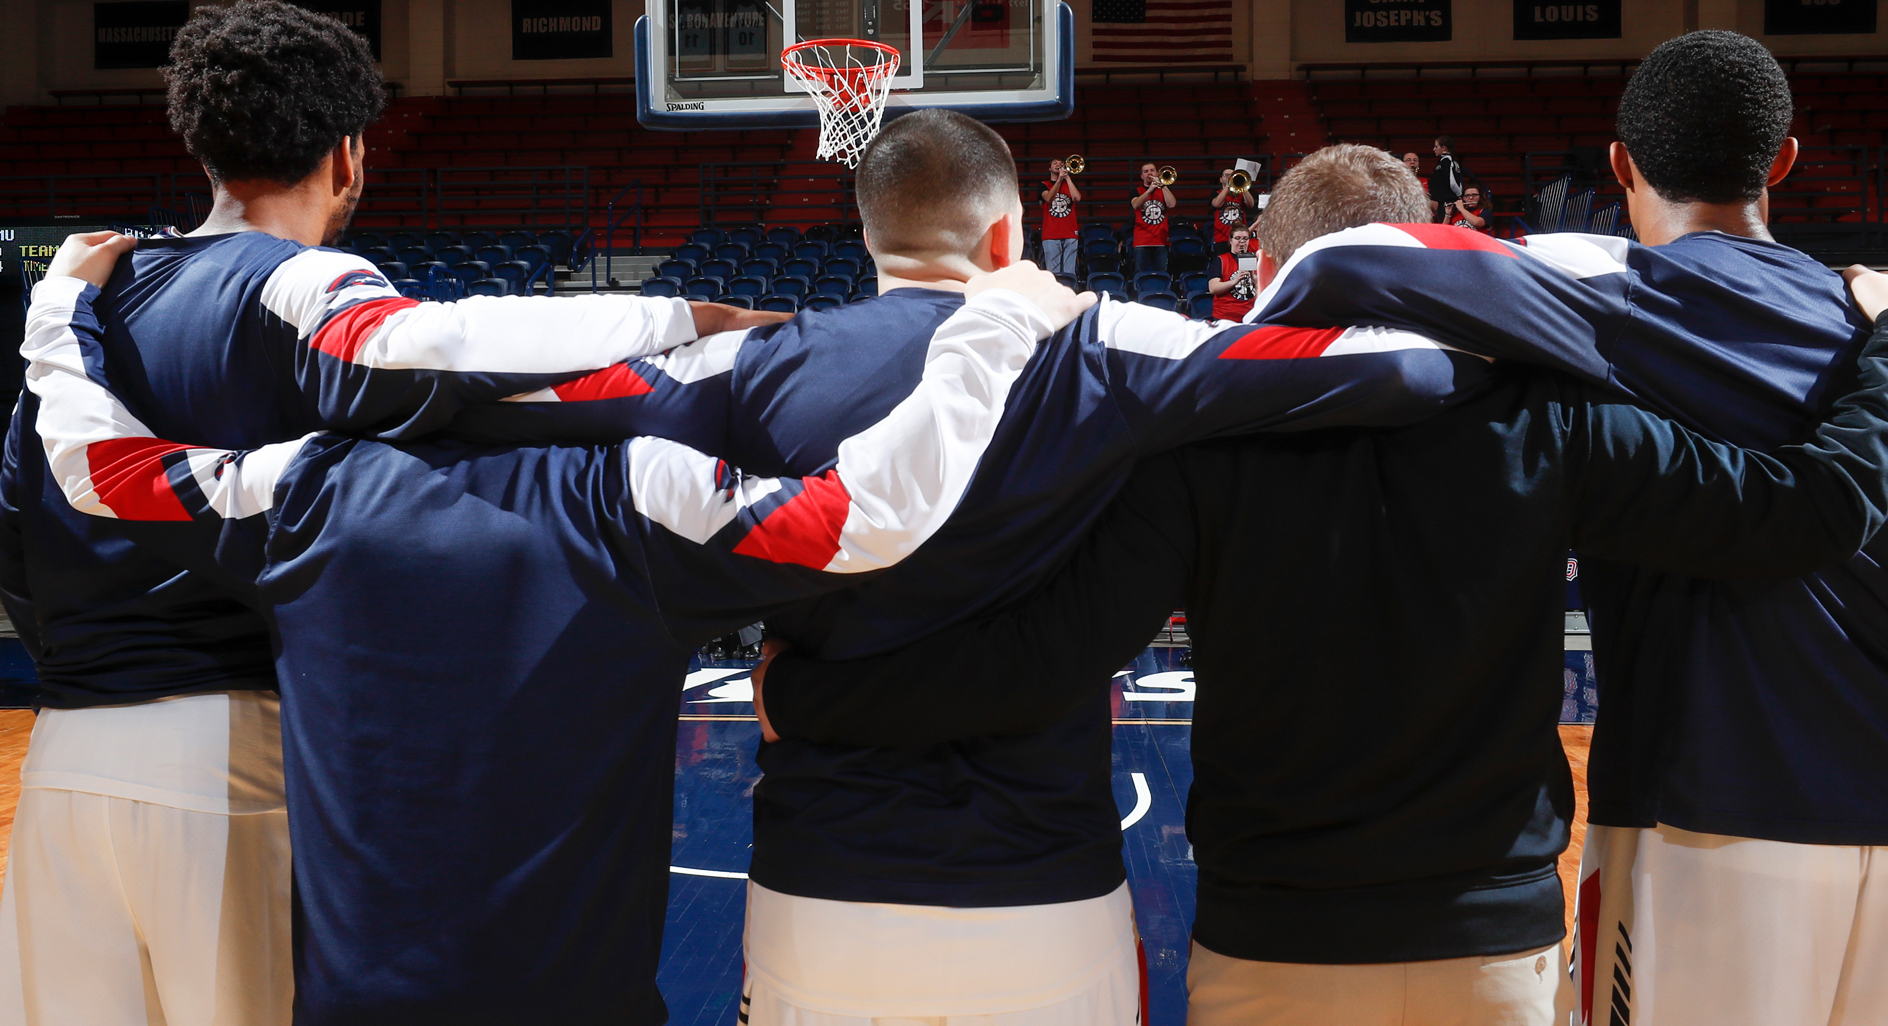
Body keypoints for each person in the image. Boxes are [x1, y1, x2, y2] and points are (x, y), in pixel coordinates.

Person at [441, 109, 1489, 1025]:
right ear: (1008, 234)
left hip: (824, 894)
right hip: (1046, 901)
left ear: (868, 234)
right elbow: (1394, 359)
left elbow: (491, 401)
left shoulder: (757, 365)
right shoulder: (1097, 347)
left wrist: (701, 328)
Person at [750, 265, 1888, 1026]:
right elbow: (1810, 512)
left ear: (1271, 285)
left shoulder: (1202, 456)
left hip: (1275, 947)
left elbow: (1041, 660)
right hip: (1491, 950)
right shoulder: (1548, 420)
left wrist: (811, 703)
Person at [11, 242, 1091, 1026]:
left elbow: (92, 473)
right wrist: (994, 324)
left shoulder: (306, 488)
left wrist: (61, 310)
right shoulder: (637, 491)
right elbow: (874, 514)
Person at [0, 0, 768, 1026]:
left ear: (200, 145)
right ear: (348, 155)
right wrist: (689, 318)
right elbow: (416, 350)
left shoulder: (85, 315)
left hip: (63, 770)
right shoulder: (300, 281)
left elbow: (17, 534)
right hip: (236, 765)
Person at [1249, 30, 1888, 1026]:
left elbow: (1349, 257)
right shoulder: (1880, 321)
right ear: (1782, 161)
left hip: (1709, 814)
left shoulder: (1609, 292)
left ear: (1621, 165)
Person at [1039, 157, 1081, 281]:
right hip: (1051, 233)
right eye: (1055, 163)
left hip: (1070, 232)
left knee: (1070, 272)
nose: (1058, 165)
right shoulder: (1043, 185)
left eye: (1061, 164)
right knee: (1053, 274)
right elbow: (1048, 198)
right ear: (1049, 168)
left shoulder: (1069, 184)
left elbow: (1077, 198)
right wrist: (1058, 182)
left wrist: (1067, 178)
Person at [1131, 160, 1175, 273]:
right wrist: (1149, 190)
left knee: (1162, 272)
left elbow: (1172, 204)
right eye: (1146, 171)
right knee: (1141, 273)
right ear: (1142, 176)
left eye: (1152, 170)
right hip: (1142, 241)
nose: (1149, 173)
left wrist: (1163, 185)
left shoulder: (1163, 190)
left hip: (1161, 240)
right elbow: (1135, 205)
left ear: (1157, 173)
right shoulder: (1136, 191)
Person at [1208, 226, 1259, 322]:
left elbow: (1263, 288)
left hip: (1250, 314)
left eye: (1245, 238)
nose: (1242, 241)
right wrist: (1235, 281)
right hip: (1226, 316)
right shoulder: (1221, 260)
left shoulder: (1256, 259)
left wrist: (1253, 276)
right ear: (1231, 240)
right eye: (1238, 238)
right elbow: (1213, 288)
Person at [1209, 167, 1252, 253]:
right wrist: (1228, 185)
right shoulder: (1216, 193)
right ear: (1221, 179)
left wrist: (1242, 186)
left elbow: (1251, 204)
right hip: (1221, 238)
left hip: (1240, 238)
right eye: (1226, 175)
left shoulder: (1241, 195)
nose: (1229, 177)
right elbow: (1217, 204)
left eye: (1231, 175)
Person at [1428, 135, 1463, 220]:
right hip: (1442, 202)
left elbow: (1453, 181)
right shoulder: (1443, 161)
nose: (1434, 149)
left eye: (1436, 146)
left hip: (1448, 202)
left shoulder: (1447, 161)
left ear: (1444, 148)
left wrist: (1459, 195)